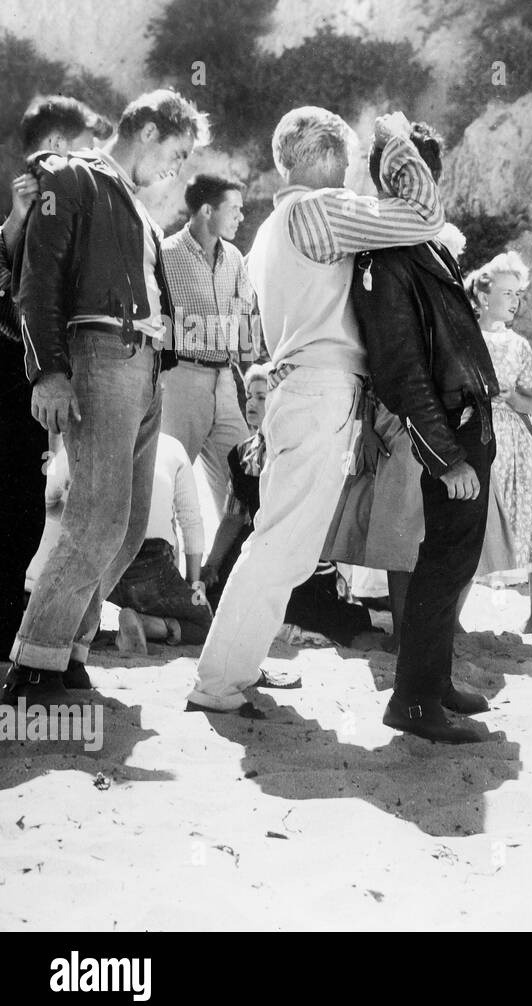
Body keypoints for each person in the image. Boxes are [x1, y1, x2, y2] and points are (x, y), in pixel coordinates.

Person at [185, 107, 445, 715]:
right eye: (352, 159)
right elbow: (425, 216)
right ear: (324, 156)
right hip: (320, 389)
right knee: (280, 546)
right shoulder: (317, 209)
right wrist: (397, 139)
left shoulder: (275, 227)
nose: (356, 173)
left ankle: (232, 669)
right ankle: (218, 682)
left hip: (300, 389)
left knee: (286, 546)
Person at [3, 89, 207, 707]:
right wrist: (48, 372)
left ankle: (69, 651)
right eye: (175, 152)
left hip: (142, 365)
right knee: (95, 516)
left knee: (123, 529)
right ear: (146, 130)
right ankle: (34, 663)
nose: (177, 169)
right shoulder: (70, 174)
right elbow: (37, 279)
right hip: (99, 354)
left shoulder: (130, 202)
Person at [349, 121, 502, 742]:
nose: (423, 189)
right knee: (440, 565)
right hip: (451, 433)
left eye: (427, 176)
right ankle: (412, 702)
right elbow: (402, 371)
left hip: (472, 423)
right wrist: (445, 458)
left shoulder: (426, 247)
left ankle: (432, 683)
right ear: (391, 180)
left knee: (456, 560)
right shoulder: (387, 257)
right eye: (411, 175)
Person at [1, 96, 110, 658]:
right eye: (84, 141)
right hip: (15, 375)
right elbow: (10, 294)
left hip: (47, 378)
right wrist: (18, 221)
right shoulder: (24, 213)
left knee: (31, 505)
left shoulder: (80, 204)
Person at [204, 365, 380, 649]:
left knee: (322, 608)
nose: (252, 403)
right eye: (250, 396)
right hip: (254, 548)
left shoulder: (305, 448)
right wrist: (211, 564)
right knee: (220, 592)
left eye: (262, 397)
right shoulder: (240, 454)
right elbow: (233, 517)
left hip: (299, 552)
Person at [466, 251, 532, 632]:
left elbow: (530, 399)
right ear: (484, 297)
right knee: (474, 526)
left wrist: (511, 397)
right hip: (476, 434)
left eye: (518, 294)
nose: (515, 302)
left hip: (514, 441)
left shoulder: (520, 344)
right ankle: (452, 617)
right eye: (507, 293)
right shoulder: (465, 336)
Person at [160, 173, 255, 505]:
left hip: (225, 382)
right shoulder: (165, 256)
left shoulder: (235, 259)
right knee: (168, 487)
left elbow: (243, 327)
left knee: (247, 482)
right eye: (234, 209)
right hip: (179, 382)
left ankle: (226, 559)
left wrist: (252, 376)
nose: (240, 217)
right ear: (206, 211)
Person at [107, 433, 212, 652]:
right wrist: (194, 585)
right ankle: (150, 625)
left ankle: (87, 627)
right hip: (151, 568)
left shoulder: (101, 435)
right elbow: (190, 520)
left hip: (104, 566)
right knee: (204, 619)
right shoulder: (171, 446)